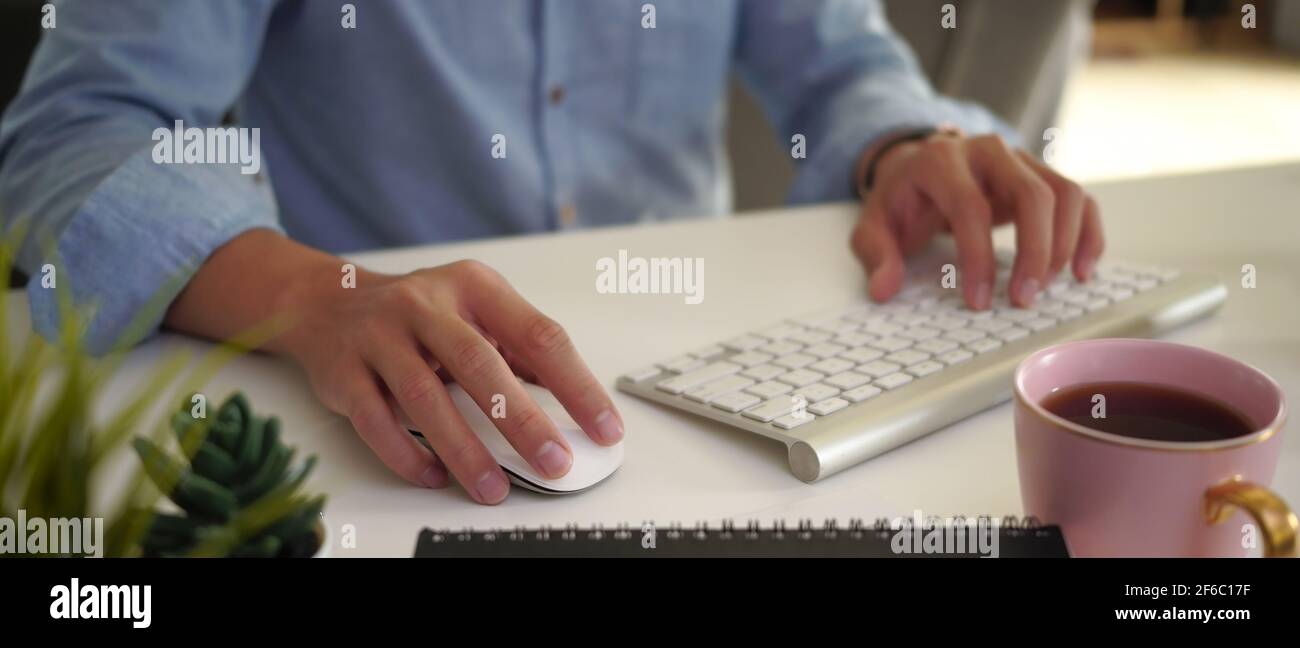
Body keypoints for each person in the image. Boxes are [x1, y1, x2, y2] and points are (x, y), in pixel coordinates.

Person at [0, 0, 1102, 505]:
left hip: (708, 365)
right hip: (368, 405)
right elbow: (73, 135)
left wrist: (901, 143)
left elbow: (837, 56)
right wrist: (308, 295)